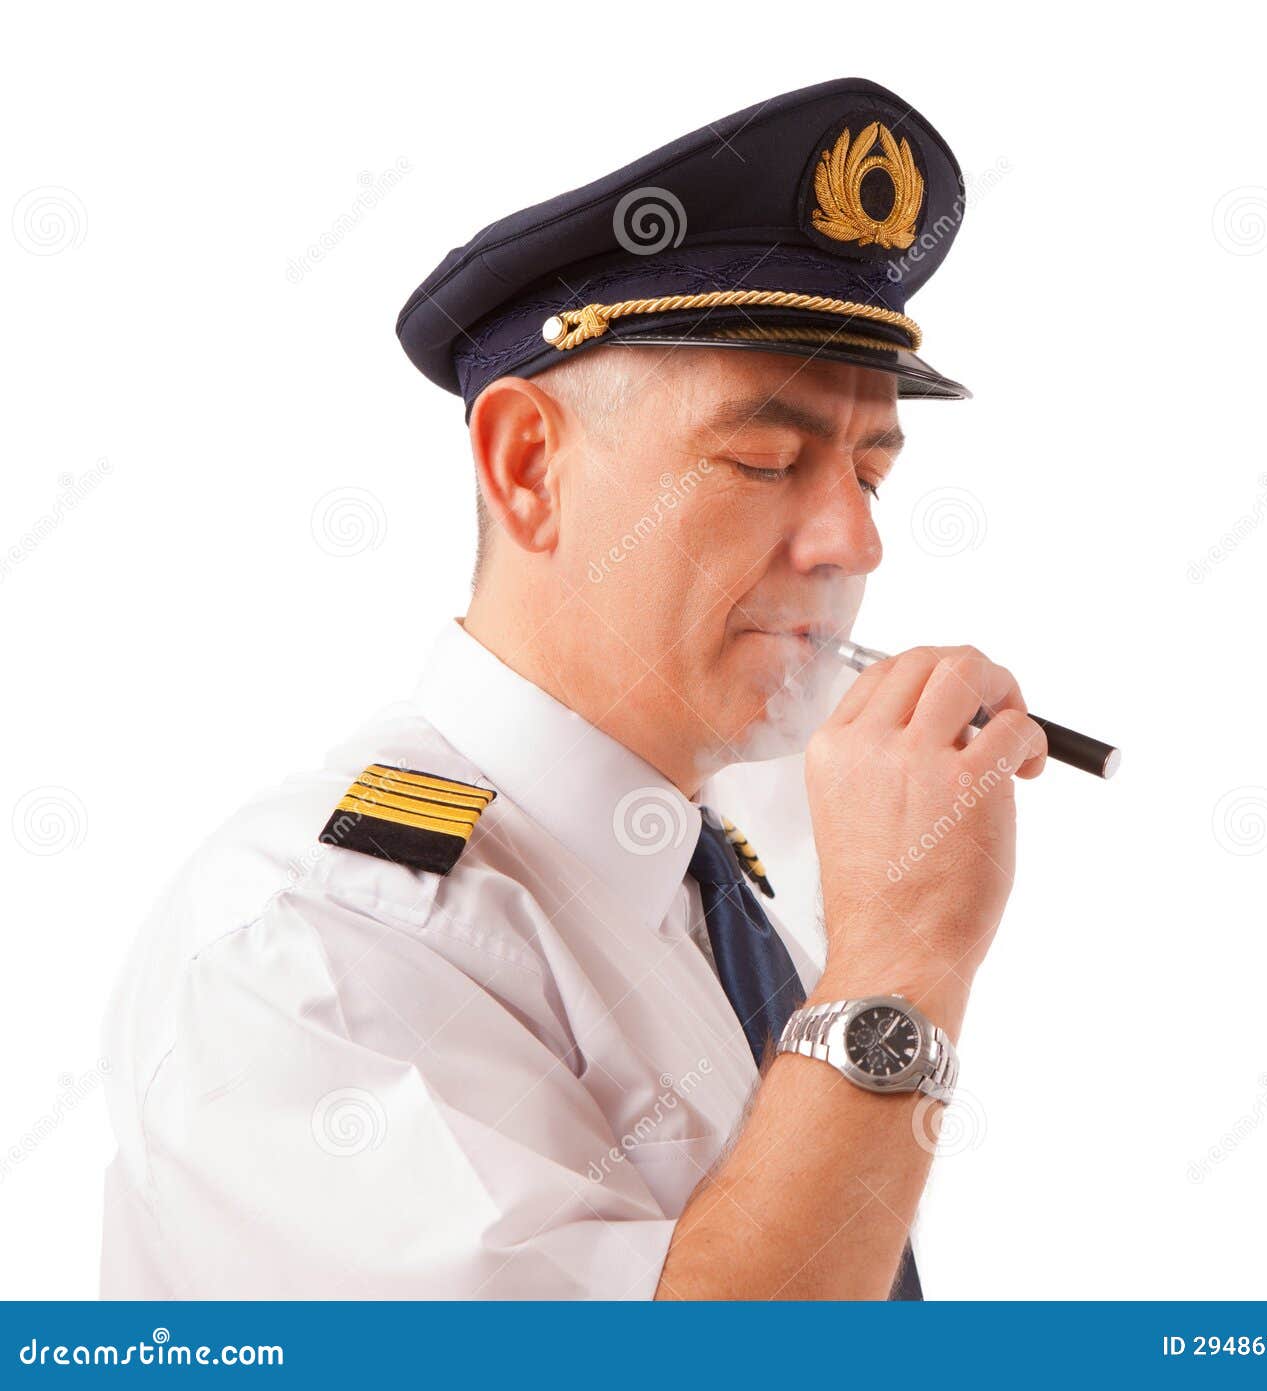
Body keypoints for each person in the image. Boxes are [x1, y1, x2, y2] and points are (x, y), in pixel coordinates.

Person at [99, 76, 1047, 1299]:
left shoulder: (719, 874)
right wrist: (903, 957)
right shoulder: (315, 940)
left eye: (869, 473)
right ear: (527, 465)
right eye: (765, 457)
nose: (853, 544)